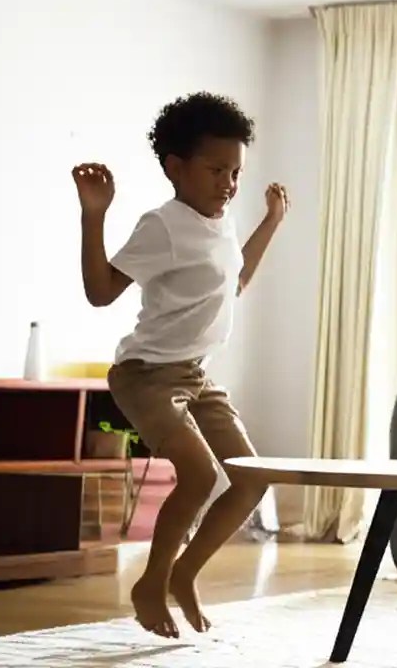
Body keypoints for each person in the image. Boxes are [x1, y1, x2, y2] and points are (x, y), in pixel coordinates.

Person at [74, 92, 289, 637]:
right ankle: (151, 582)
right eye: (217, 170)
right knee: (198, 476)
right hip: (146, 374)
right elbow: (101, 293)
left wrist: (271, 221)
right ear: (176, 167)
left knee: (251, 479)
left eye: (236, 172)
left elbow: (235, 281)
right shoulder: (163, 225)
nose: (229, 183)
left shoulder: (223, 223)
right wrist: (94, 215)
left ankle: (182, 575)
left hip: (194, 375)